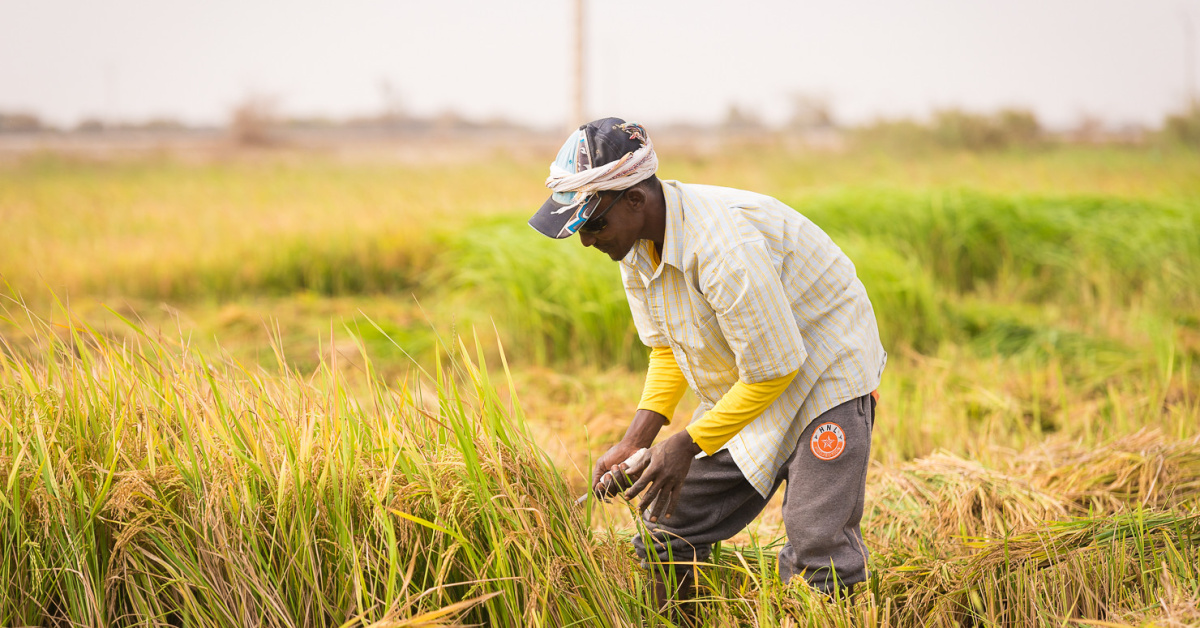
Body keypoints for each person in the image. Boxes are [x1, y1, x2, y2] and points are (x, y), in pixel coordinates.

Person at [528, 117, 886, 605]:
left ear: (635, 198)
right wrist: (638, 439)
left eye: (592, 224)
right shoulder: (635, 248)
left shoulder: (724, 249)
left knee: (816, 550)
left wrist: (686, 443)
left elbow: (778, 369)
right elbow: (668, 346)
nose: (588, 241)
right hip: (751, 376)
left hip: (824, 376)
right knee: (664, 531)